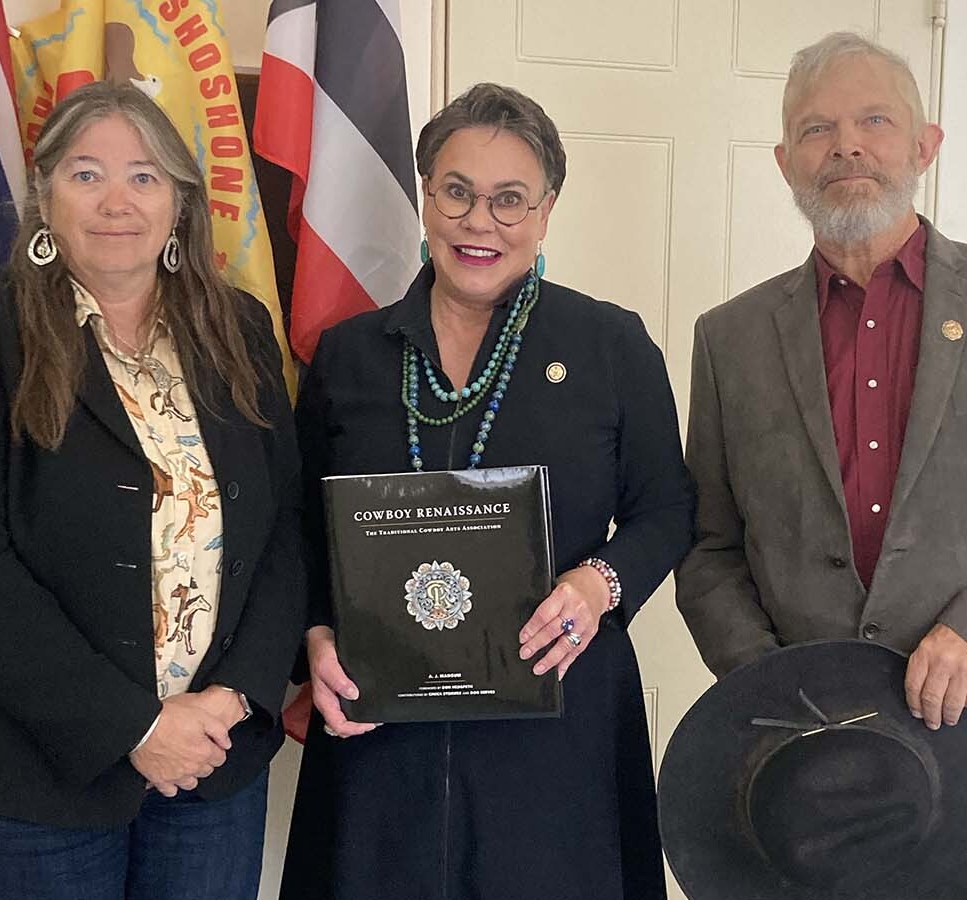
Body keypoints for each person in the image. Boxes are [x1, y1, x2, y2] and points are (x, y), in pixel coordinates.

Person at [675, 32, 967, 900]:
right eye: (817, 129)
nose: (846, 144)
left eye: (874, 119)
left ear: (925, 144)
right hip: (802, 773)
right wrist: (770, 685)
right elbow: (709, 546)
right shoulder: (727, 339)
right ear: (784, 162)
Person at [279, 82, 694, 900]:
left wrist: (599, 583)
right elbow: (296, 526)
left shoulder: (610, 344)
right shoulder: (350, 356)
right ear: (426, 196)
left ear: (545, 213)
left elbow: (668, 508)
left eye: (510, 200)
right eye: (458, 192)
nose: (481, 222)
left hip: (557, 720)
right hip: (379, 733)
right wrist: (316, 638)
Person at [0, 82, 305, 899]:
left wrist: (233, 699)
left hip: (210, 765)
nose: (117, 202)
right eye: (87, 174)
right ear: (45, 196)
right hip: (28, 778)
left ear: (182, 205)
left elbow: (285, 531)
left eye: (145, 176)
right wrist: (136, 728)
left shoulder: (241, 329)